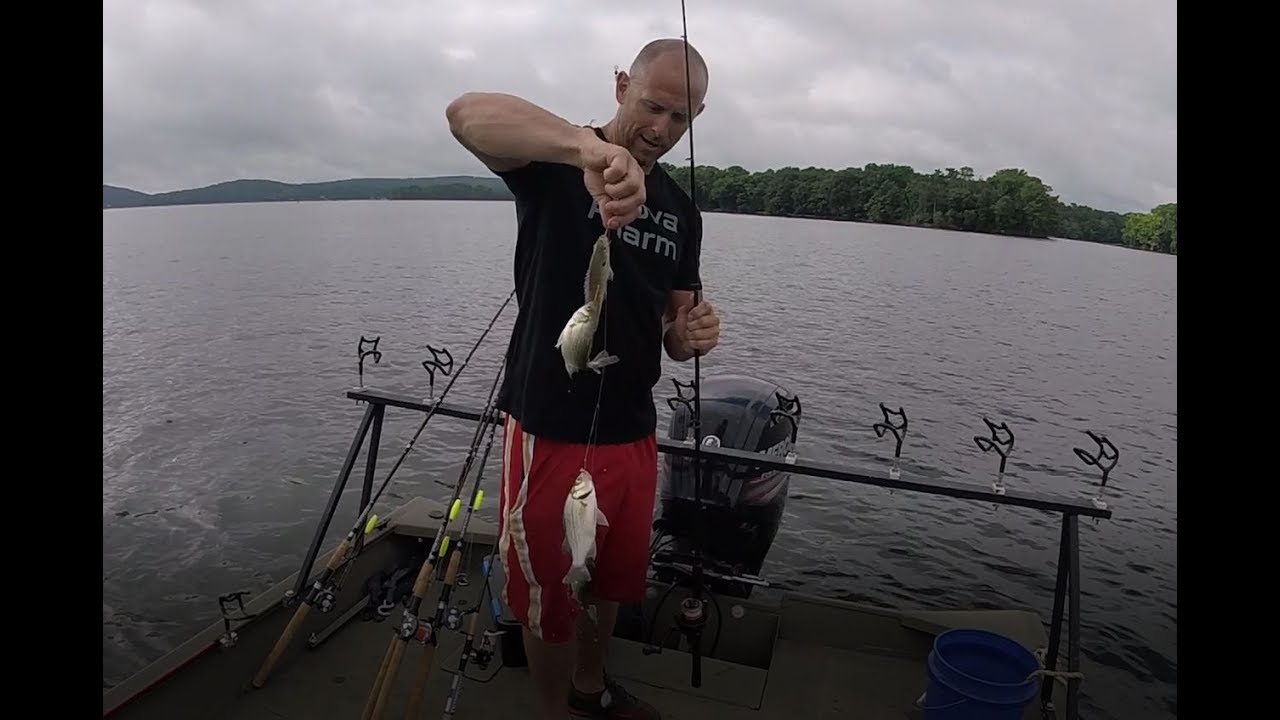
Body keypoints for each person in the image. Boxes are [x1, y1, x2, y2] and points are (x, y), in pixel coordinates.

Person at [445, 38, 720, 720]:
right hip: (550, 426)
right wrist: (587, 151)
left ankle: (591, 689)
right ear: (622, 84)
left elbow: (675, 324)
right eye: (653, 106)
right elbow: (465, 113)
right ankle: (552, 711)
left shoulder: (682, 212)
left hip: (633, 432)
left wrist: (687, 338)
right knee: (548, 590)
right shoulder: (554, 164)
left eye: (681, 119)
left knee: (610, 581)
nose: (662, 129)